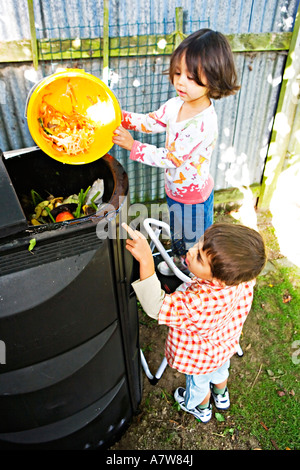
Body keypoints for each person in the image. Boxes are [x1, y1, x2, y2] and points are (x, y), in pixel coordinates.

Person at [113, 29, 240, 276]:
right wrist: (123, 118)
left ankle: (194, 277)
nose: (180, 81)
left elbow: (171, 158)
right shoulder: (176, 105)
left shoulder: (202, 123)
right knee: (179, 230)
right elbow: (152, 122)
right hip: (176, 189)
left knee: (194, 240)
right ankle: (182, 260)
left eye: (192, 77)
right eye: (178, 72)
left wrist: (132, 146)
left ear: (213, 80)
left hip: (192, 197)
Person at [122, 222, 266, 423]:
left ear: (218, 280)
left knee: (199, 383)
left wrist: (146, 259)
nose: (191, 251)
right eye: (200, 242)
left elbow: (156, 306)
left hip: (201, 357)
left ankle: (201, 407)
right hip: (224, 346)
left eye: (199, 257)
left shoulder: (198, 303)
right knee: (221, 369)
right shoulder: (242, 280)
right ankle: (222, 395)